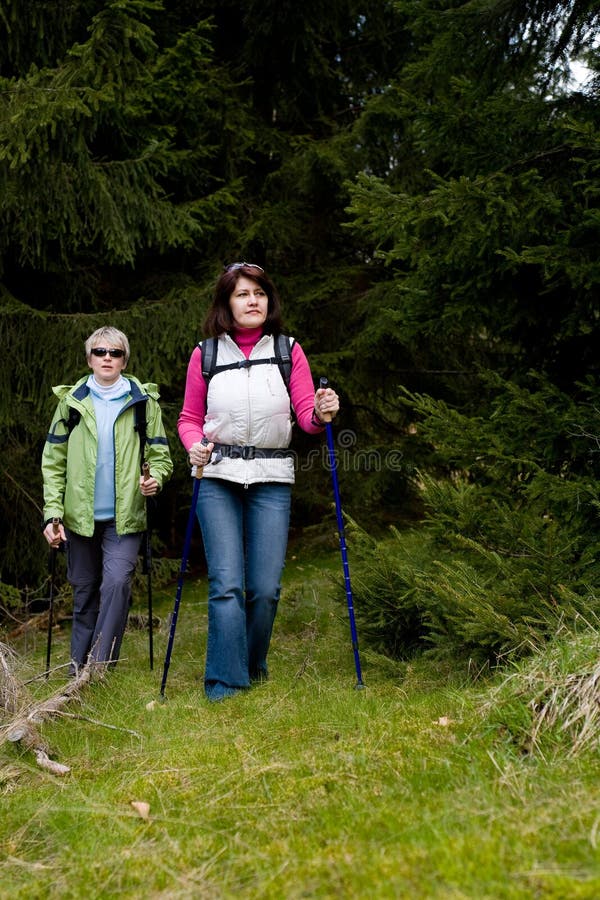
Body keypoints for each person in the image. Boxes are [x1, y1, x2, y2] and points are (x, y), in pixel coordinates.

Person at [178, 262, 339, 701]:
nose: (253, 301)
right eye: (243, 294)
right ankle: (225, 684)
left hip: (271, 475)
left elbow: (307, 417)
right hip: (218, 475)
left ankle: (250, 665)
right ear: (226, 304)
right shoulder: (206, 354)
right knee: (226, 583)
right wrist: (194, 445)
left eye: (260, 293)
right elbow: (190, 419)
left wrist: (323, 413)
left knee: (265, 589)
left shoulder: (289, 351)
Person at [41, 326, 173, 673]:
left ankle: (96, 670)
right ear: (89, 358)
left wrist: (154, 480)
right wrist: (52, 514)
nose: (107, 358)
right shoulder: (70, 404)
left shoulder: (144, 403)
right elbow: (52, 462)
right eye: (100, 352)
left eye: (115, 353)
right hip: (78, 518)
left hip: (125, 516)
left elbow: (161, 456)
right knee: (84, 593)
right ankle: (76, 667)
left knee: (116, 583)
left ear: (124, 359)